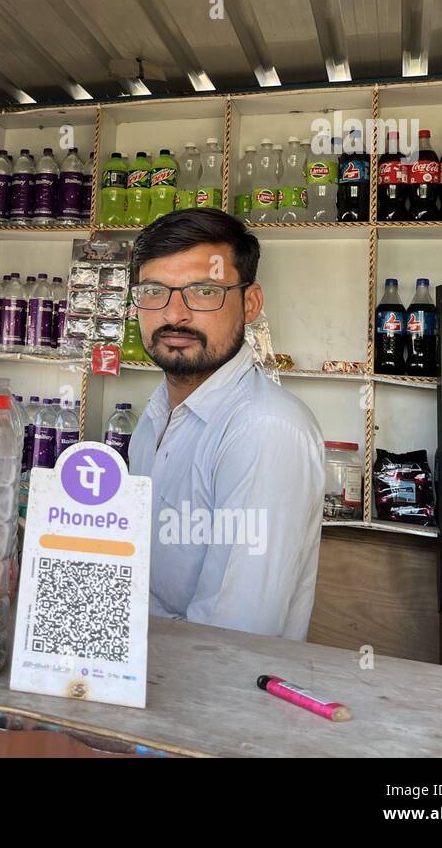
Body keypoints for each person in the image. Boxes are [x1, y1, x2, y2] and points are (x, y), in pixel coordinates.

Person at [127, 208, 324, 640]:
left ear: (249, 303)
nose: (174, 315)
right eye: (154, 291)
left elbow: (233, 633)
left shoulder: (265, 429)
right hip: (143, 679)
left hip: (211, 694)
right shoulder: (155, 417)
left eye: (202, 292)